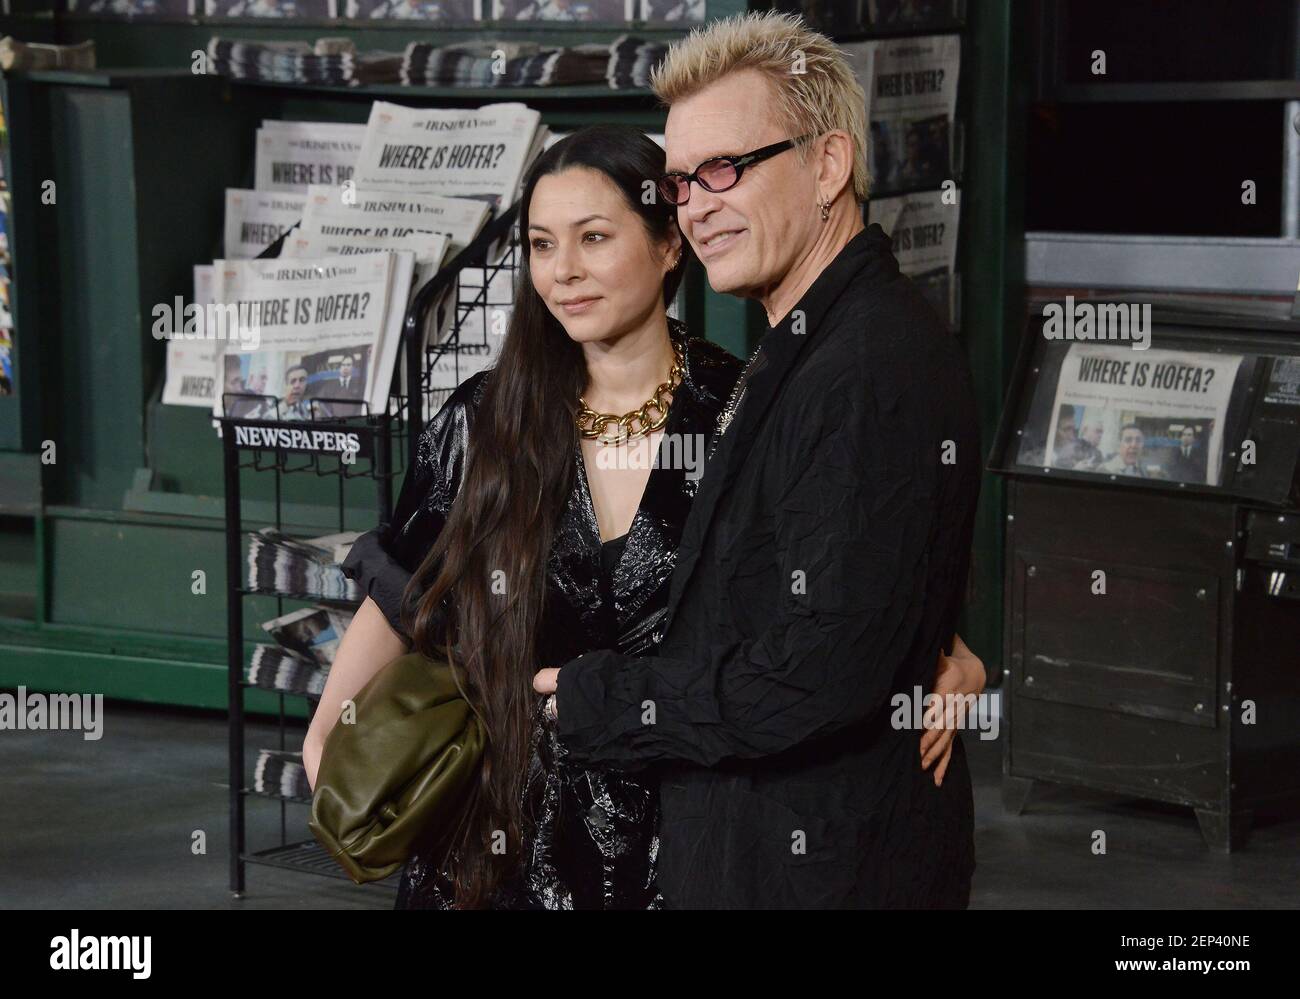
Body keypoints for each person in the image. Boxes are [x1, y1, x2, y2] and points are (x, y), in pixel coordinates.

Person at [304, 122, 985, 909]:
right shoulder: (482, 420)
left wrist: (952, 653)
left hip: (685, 845)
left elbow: (840, 590)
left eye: (594, 237)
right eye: (541, 244)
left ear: (670, 246)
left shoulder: (745, 408)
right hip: (493, 845)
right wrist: (329, 735)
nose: (564, 273)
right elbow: (399, 591)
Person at [535, 11, 984, 909]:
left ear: (827, 165)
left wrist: (605, 701)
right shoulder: (806, 347)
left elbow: (814, 677)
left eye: (725, 170)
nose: (696, 204)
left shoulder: (865, 368)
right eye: (679, 183)